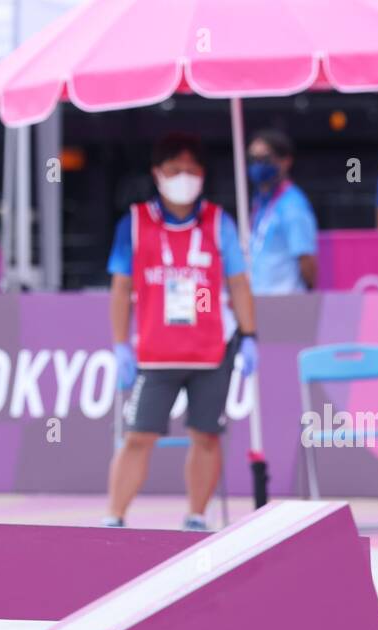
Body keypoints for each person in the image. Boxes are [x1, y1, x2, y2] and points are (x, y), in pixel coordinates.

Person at [103, 133, 258, 532]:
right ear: (157, 174)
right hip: (157, 351)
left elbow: (238, 282)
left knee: (206, 436)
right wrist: (120, 344)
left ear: (203, 175)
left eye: (191, 170)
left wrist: (250, 334)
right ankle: (114, 517)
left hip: (211, 348)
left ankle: (196, 516)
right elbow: (121, 289)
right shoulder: (134, 224)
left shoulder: (219, 222)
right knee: (138, 436)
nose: (183, 178)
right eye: (175, 170)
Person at [246, 130, 318, 294]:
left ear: (285, 161)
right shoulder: (259, 201)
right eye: (252, 159)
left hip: (285, 303)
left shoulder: (293, 204)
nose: (257, 165)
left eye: (263, 159)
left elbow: (306, 260)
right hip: (259, 300)